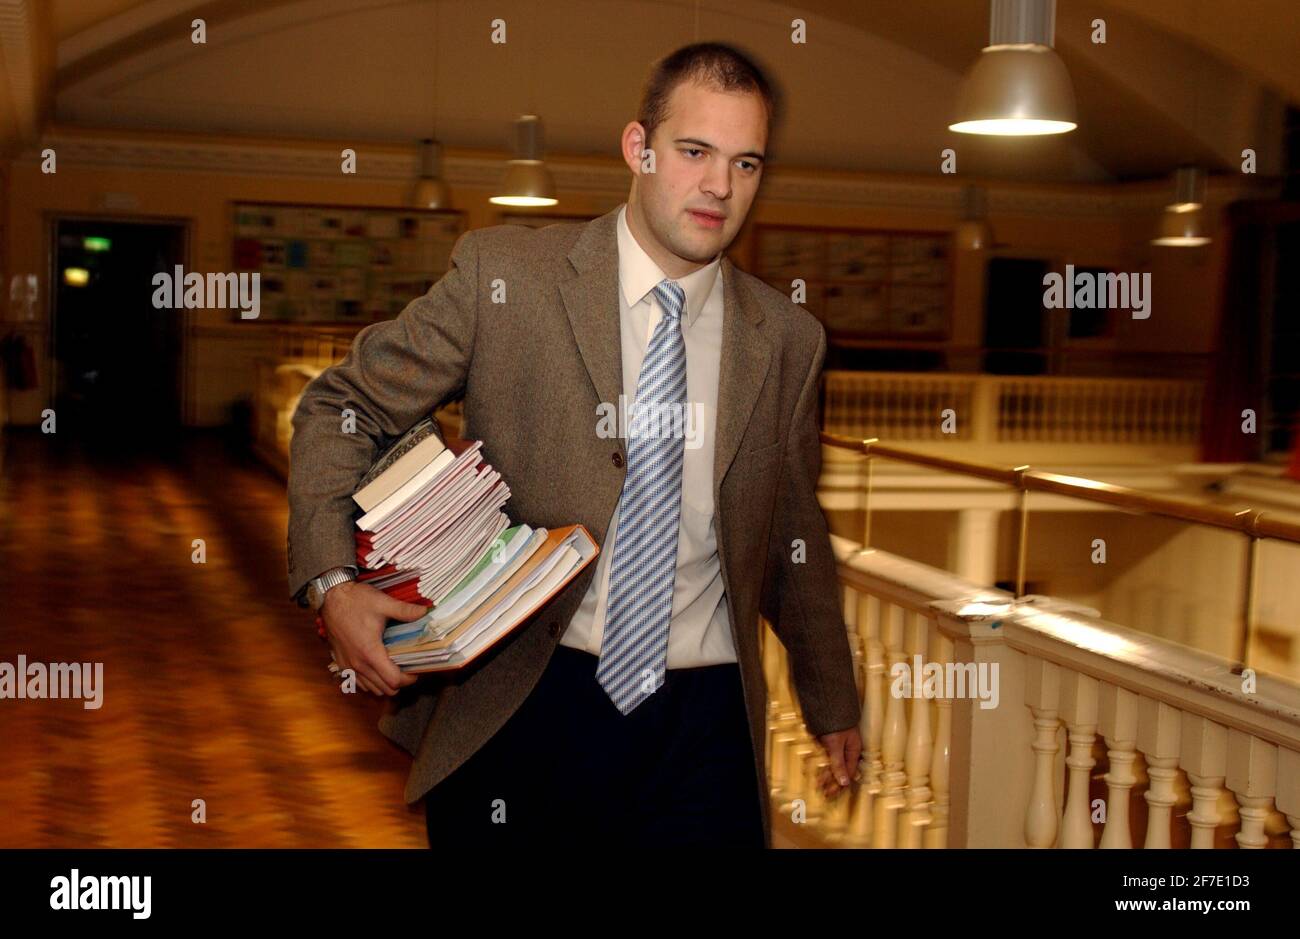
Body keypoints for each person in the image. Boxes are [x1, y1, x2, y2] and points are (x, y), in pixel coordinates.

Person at [286, 41, 862, 849]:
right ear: (639, 147)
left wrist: (832, 698)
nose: (720, 187)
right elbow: (339, 405)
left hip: (704, 725)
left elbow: (795, 532)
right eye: (695, 152)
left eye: (747, 163)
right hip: (525, 700)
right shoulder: (507, 279)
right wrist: (332, 583)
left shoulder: (788, 340)